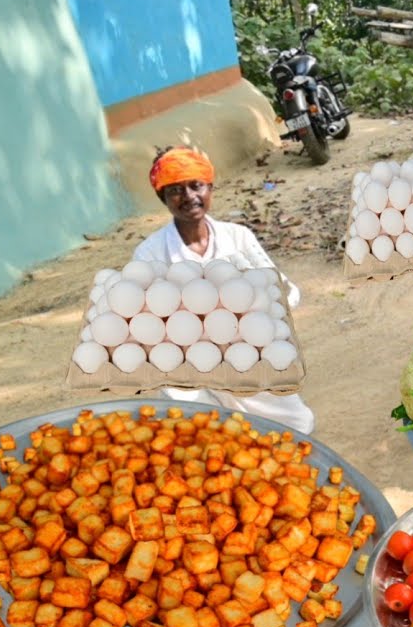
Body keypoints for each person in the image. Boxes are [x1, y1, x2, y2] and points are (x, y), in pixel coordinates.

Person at [133, 146, 316, 433]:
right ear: (163, 198)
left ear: (210, 188)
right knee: (199, 427)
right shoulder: (150, 253)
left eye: (196, 186)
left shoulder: (237, 236)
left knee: (296, 424)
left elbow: (280, 289)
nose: (189, 196)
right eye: (176, 190)